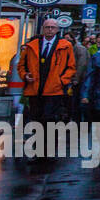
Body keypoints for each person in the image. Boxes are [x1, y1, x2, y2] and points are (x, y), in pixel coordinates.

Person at [17, 17, 77, 146]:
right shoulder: (31, 46)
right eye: (47, 27)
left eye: (53, 27)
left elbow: (71, 67)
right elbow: (21, 66)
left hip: (54, 89)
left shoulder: (65, 46)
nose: (50, 30)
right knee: (36, 119)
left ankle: (48, 149)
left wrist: (61, 81)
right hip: (35, 88)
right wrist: (25, 75)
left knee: (49, 118)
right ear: (43, 29)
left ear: (57, 30)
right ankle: (38, 149)